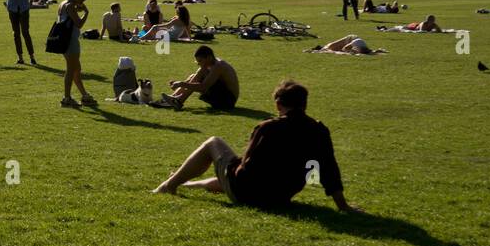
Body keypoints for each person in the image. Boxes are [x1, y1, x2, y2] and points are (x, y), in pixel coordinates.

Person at [153, 79, 360, 212]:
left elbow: (246, 172)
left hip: (249, 194)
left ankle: (168, 186)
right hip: (281, 197)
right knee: (234, 173)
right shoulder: (319, 131)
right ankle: (185, 182)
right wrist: (343, 206)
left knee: (213, 144)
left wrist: (229, 170)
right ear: (304, 104)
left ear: (278, 105)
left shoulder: (268, 128)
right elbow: (328, 168)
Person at [158, 45, 239, 110]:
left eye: (200, 61)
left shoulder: (218, 66)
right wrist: (180, 86)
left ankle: (178, 101)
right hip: (223, 96)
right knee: (194, 75)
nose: (198, 63)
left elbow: (203, 87)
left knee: (200, 75)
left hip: (227, 101)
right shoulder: (211, 64)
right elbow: (194, 79)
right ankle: (173, 98)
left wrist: (181, 84)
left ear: (209, 57)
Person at [56, 0, 96, 108]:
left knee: (77, 69)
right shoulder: (70, 6)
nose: (82, 2)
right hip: (70, 41)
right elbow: (78, 24)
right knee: (71, 70)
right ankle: (66, 98)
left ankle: (84, 95)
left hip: (64, 40)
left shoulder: (63, 4)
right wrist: (86, 13)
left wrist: (76, 8)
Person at [307, 35, 384, 55]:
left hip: (351, 43)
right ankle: (320, 48)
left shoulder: (364, 51)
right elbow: (345, 48)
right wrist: (351, 52)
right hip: (350, 39)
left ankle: (320, 48)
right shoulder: (358, 42)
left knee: (334, 50)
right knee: (330, 47)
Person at [378, 14, 442, 33]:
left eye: (433, 20)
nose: (433, 21)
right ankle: (384, 29)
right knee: (400, 28)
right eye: (432, 20)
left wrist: (436, 30)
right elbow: (422, 31)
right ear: (428, 20)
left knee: (400, 28)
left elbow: (439, 30)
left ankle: (385, 29)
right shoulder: (424, 23)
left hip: (415, 26)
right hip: (413, 27)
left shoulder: (434, 24)